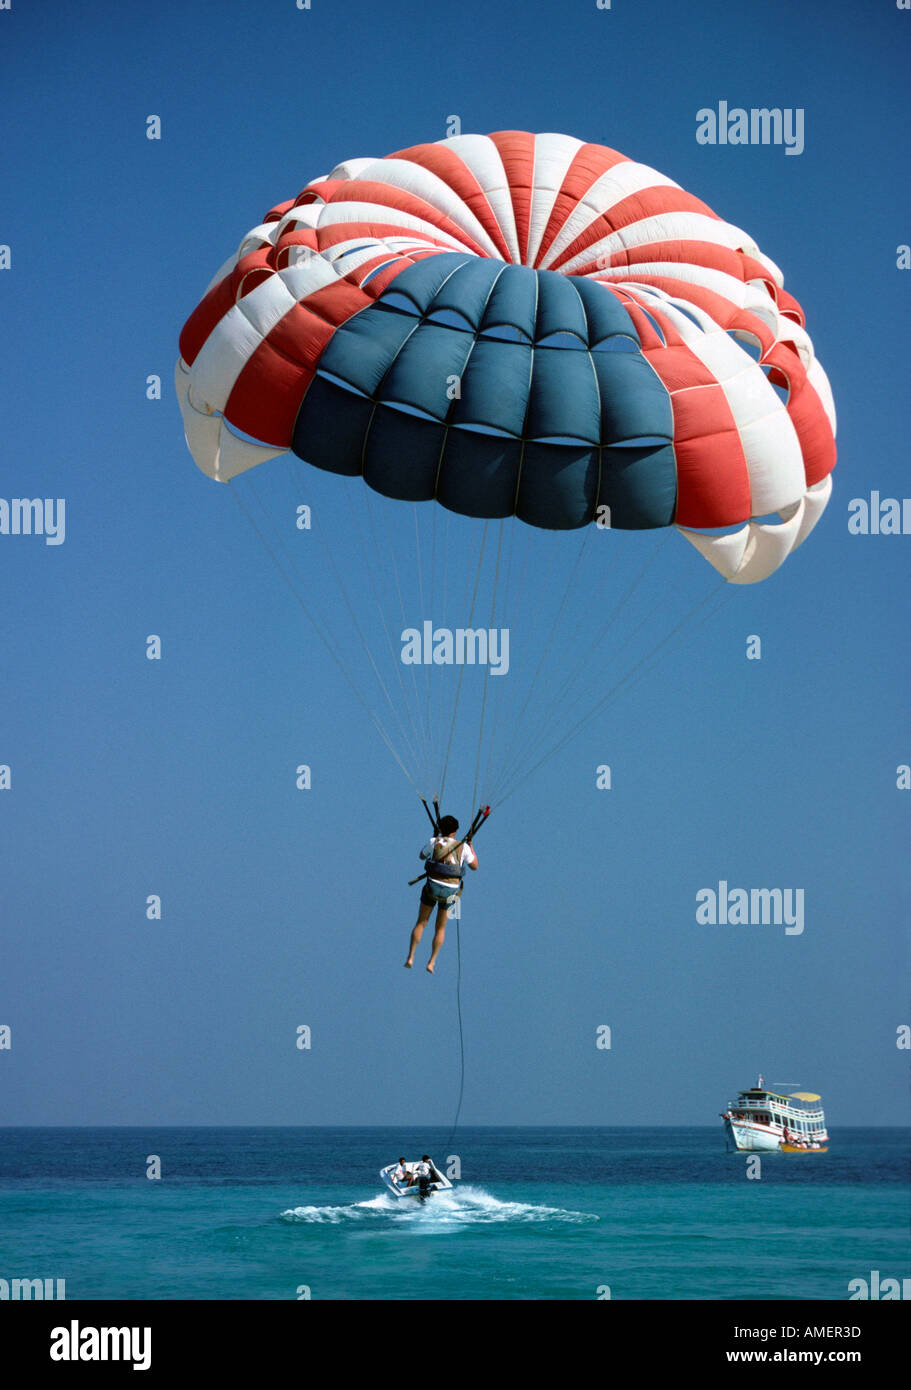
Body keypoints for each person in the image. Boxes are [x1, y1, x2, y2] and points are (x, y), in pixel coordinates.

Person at [404, 815, 478, 973]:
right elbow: (474, 866)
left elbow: (421, 856)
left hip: (432, 887)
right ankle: (432, 962)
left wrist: (434, 838)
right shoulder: (463, 847)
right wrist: (471, 846)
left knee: (421, 922)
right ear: (455, 831)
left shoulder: (434, 842)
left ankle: (410, 957)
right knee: (441, 928)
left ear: (441, 829)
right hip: (450, 892)